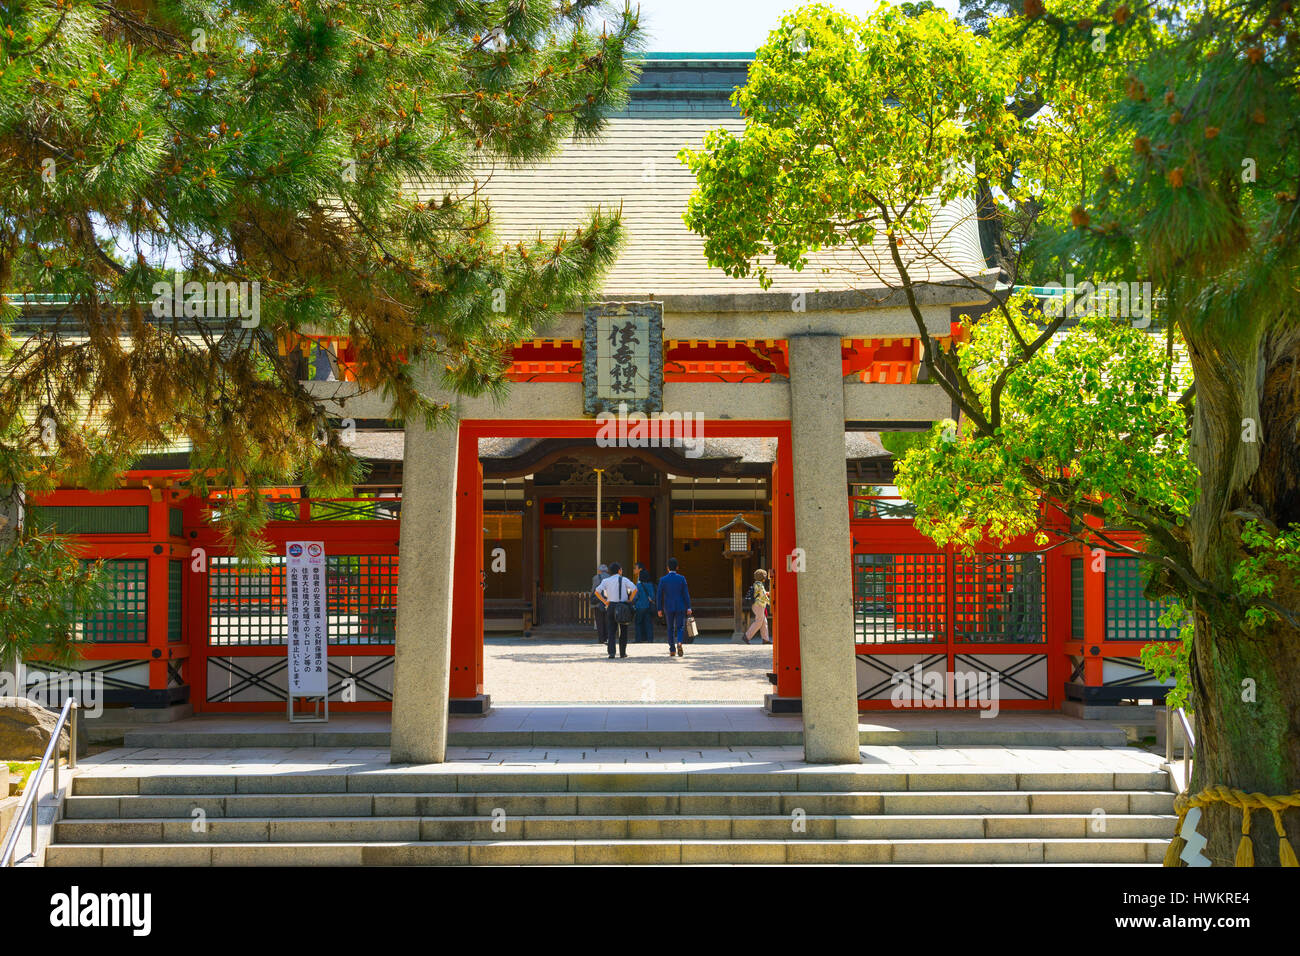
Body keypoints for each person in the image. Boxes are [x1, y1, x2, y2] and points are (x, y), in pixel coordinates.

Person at [594, 562, 637, 658]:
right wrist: (630, 600)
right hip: (623, 606)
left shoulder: (606, 581)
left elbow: (597, 591)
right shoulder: (624, 579)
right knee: (624, 629)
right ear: (619, 570)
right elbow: (635, 589)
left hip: (611, 605)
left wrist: (605, 601)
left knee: (611, 630)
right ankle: (622, 652)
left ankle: (612, 653)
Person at [656, 557, 693, 658]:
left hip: (668, 606)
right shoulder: (681, 578)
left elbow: (659, 595)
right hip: (680, 606)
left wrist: (659, 608)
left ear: (667, 568)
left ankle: (672, 649)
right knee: (680, 626)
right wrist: (688, 607)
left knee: (670, 628)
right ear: (677, 567)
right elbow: (686, 594)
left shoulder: (663, 580)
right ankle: (680, 642)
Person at [742, 568, 772, 644]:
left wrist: (767, 594)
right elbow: (763, 596)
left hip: (756, 605)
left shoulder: (757, 584)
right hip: (759, 605)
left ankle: (765, 639)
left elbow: (762, 594)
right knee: (759, 621)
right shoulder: (760, 585)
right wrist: (770, 602)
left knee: (763, 621)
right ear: (763, 578)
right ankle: (747, 636)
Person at [632, 562, 657, 643]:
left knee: (638, 623)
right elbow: (652, 596)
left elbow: (635, 597)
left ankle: (638, 639)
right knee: (648, 623)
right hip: (648, 606)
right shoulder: (650, 585)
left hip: (639, 607)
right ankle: (650, 639)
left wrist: (632, 602)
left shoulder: (638, 586)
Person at [591, 564, 610, 645]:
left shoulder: (596, 578)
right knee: (608, 621)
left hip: (598, 603)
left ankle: (601, 639)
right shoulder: (610, 577)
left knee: (599, 622)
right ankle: (608, 638)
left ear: (599, 571)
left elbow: (593, 590)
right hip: (608, 602)